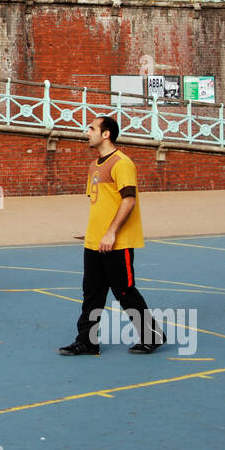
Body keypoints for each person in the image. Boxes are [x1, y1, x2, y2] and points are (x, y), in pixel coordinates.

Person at [59, 115, 164, 356]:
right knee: (92, 293)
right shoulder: (94, 166)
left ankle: (152, 335)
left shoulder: (122, 163)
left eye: (92, 128)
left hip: (117, 242)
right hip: (94, 241)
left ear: (106, 134)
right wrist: (93, 232)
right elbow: (100, 204)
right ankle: (87, 341)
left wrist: (111, 232)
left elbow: (128, 200)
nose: (87, 132)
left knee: (125, 291)